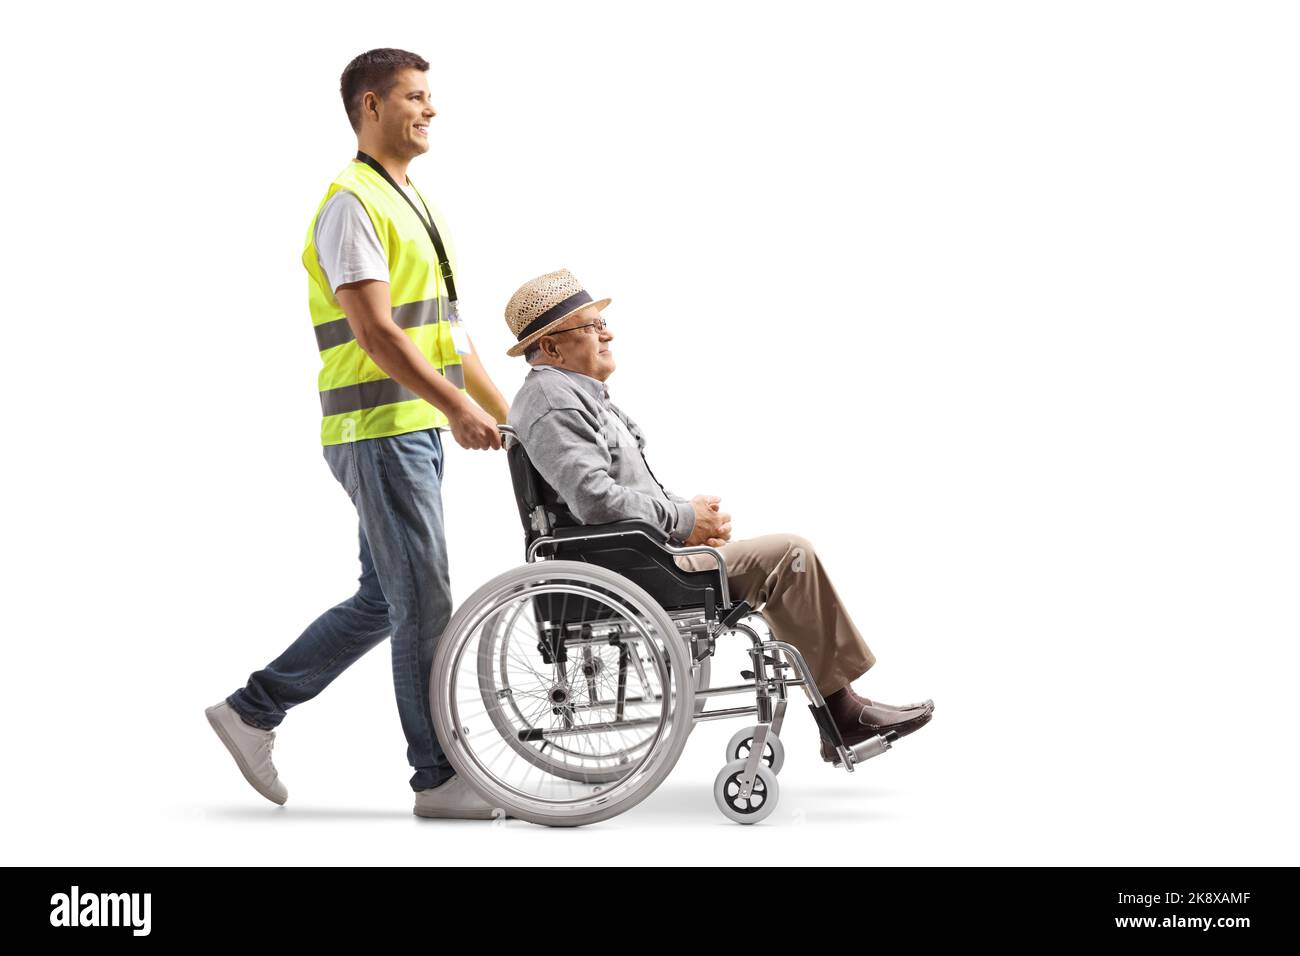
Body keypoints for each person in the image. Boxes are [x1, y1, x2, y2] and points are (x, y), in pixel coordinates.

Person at [206, 48, 511, 820]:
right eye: (415, 96)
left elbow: (448, 333)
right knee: (424, 602)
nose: (431, 109)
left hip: (408, 430)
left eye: (432, 97)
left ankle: (252, 711)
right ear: (370, 106)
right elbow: (376, 334)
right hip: (381, 429)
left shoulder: (413, 201)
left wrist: (507, 416)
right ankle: (438, 779)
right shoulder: (351, 202)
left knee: (385, 600)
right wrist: (454, 407)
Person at [502, 269, 935, 762]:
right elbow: (595, 500)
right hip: (623, 567)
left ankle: (841, 711)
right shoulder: (552, 399)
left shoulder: (575, 395)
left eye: (603, 322)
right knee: (791, 555)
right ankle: (842, 714)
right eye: (592, 325)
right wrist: (684, 520)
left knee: (776, 560)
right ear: (553, 349)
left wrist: (688, 521)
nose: (608, 333)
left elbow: (616, 491)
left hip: (639, 554)